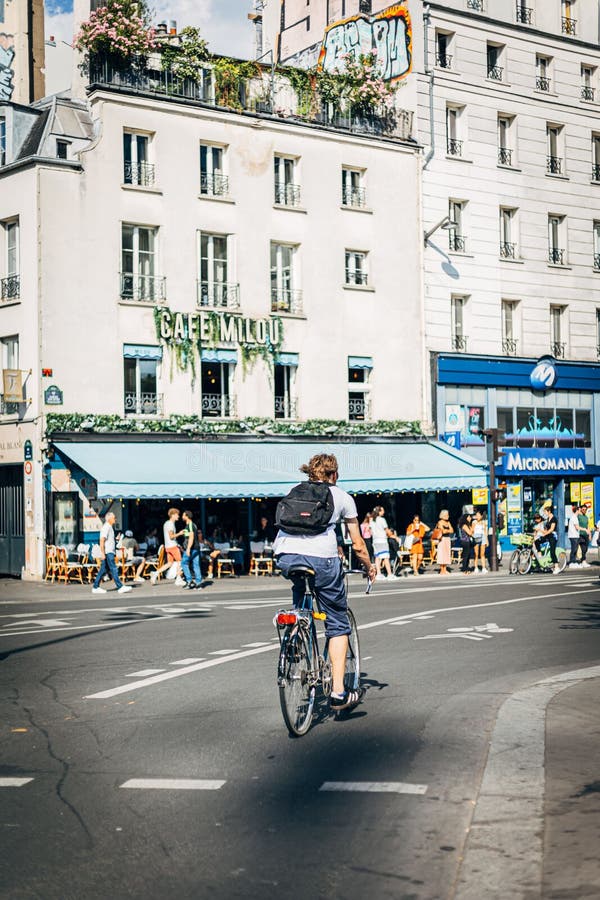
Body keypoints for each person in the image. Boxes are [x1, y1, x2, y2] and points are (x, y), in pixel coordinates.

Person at [274, 453, 376, 712]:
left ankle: (297, 631)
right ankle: (339, 693)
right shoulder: (342, 496)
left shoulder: (295, 490)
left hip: (285, 555)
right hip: (323, 560)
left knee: (301, 589)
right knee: (337, 622)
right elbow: (358, 543)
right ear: (335, 474)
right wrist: (368, 566)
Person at [92, 512, 132, 595]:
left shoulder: (109, 527)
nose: (115, 519)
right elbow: (102, 540)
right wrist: (102, 553)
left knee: (103, 570)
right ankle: (120, 587)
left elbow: (108, 540)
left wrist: (116, 539)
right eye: (114, 518)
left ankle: (95, 587)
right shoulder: (106, 527)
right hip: (108, 552)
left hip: (109, 551)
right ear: (109, 519)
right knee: (114, 568)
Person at [150, 508, 185, 585]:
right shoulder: (170, 524)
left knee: (169, 563)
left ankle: (155, 573)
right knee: (180, 562)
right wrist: (180, 533)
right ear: (172, 515)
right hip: (172, 546)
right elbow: (171, 536)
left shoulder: (167, 523)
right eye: (177, 514)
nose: (178, 516)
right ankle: (178, 579)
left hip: (168, 546)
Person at [371, 506, 398, 581]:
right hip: (382, 540)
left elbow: (370, 531)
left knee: (377, 557)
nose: (384, 512)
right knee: (386, 557)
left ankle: (378, 574)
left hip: (375, 540)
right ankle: (389, 574)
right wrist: (394, 536)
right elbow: (387, 530)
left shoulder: (372, 520)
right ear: (379, 512)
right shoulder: (382, 520)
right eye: (382, 510)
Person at [535, 502, 560, 574]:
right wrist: (540, 531)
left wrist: (545, 533)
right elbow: (546, 530)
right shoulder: (548, 519)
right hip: (548, 535)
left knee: (552, 552)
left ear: (549, 511)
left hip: (553, 536)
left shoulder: (553, 519)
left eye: (545, 512)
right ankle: (539, 555)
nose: (544, 513)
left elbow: (552, 529)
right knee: (537, 541)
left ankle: (556, 566)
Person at [181, 510, 203, 589]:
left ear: (187, 516)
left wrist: (188, 549)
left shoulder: (190, 525)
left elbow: (191, 537)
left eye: (183, 515)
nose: (182, 517)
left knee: (184, 563)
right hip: (196, 548)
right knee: (196, 565)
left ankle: (189, 581)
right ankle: (198, 583)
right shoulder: (193, 525)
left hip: (192, 548)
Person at [435, 509, 454, 575]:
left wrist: (446, 530)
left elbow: (452, 530)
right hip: (442, 539)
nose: (448, 516)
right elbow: (442, 531)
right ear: (443, 515)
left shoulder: (448, 522)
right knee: (441, 553)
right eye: (447, 515)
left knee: (447, 553)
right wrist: (447, 530)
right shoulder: (439, 522)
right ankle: (441, 569)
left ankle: (445, 569)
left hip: (447, 539)